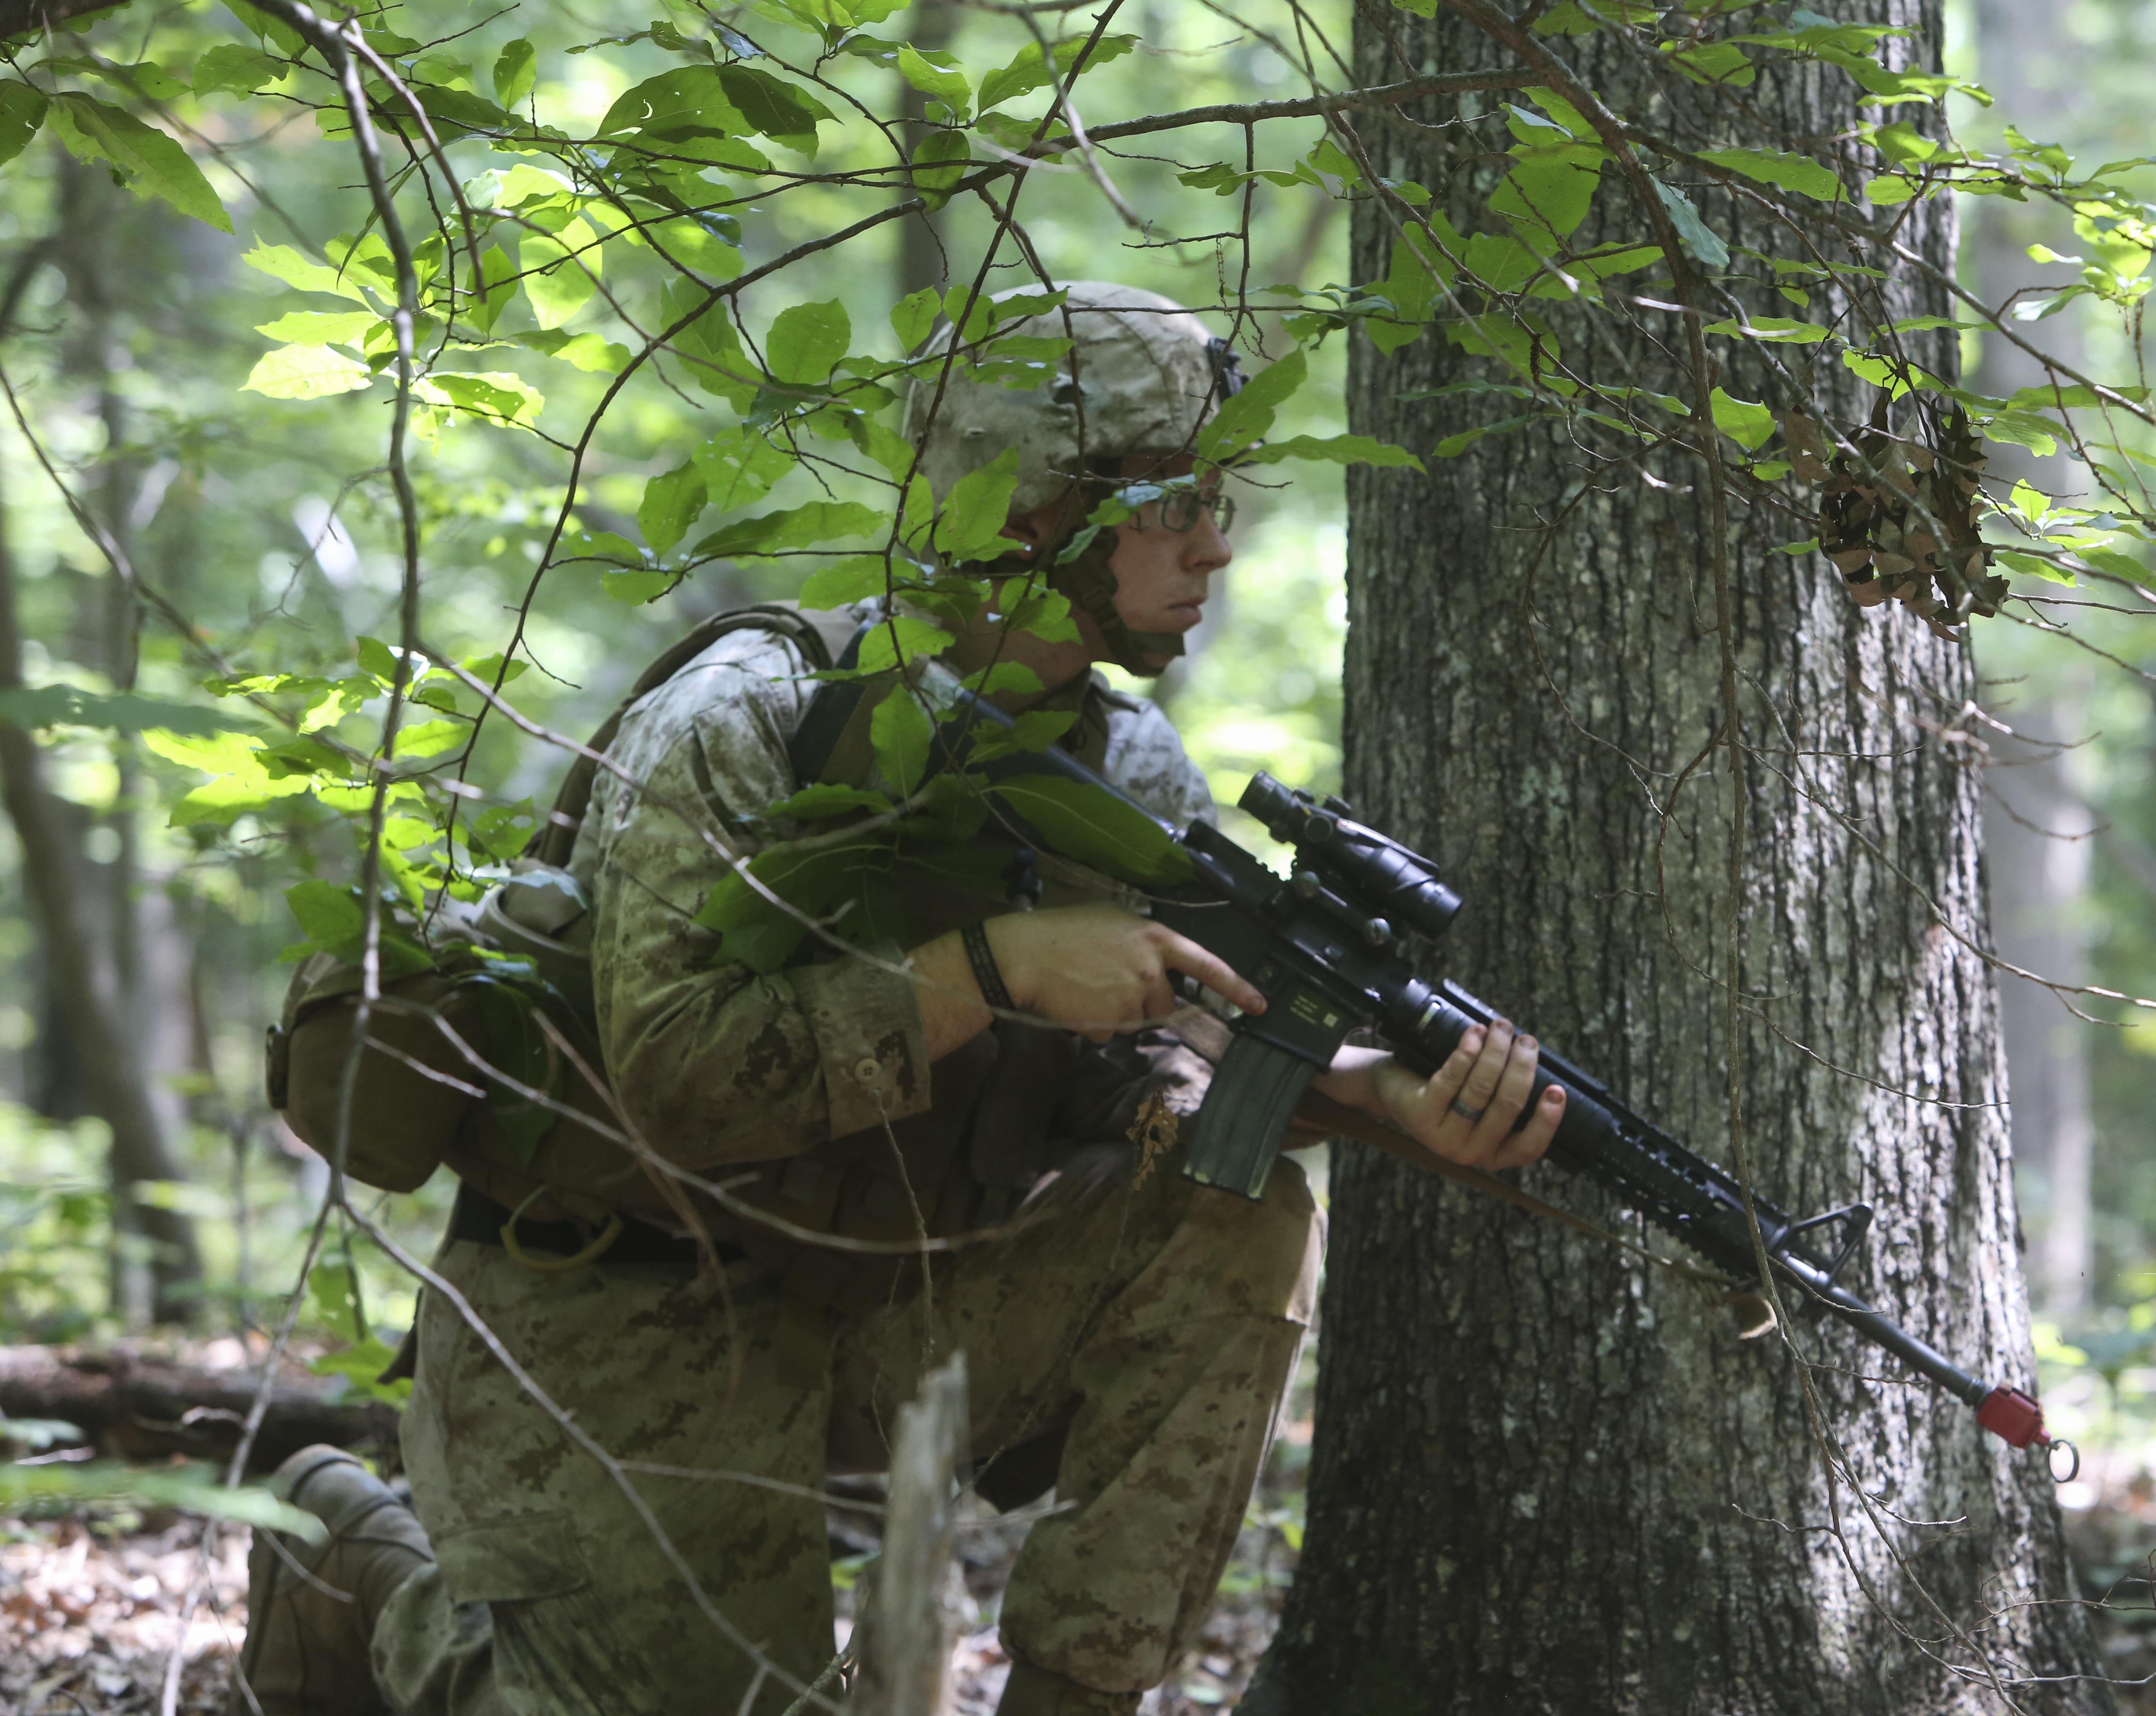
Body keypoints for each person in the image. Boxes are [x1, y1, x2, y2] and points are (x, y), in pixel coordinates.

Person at [235, 282, 1565, 1716]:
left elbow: (1158, 1086)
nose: (1218, 544)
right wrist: (985, 970)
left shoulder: (1123, 769)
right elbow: (680, 1082)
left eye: (1221, 497)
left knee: (1239, 1208)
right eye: (1175, 501)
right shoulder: (745, 718)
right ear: (1027, 514)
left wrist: (1361, 1097)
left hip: (887, 1295)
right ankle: (356, 1563)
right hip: (620, 1307)